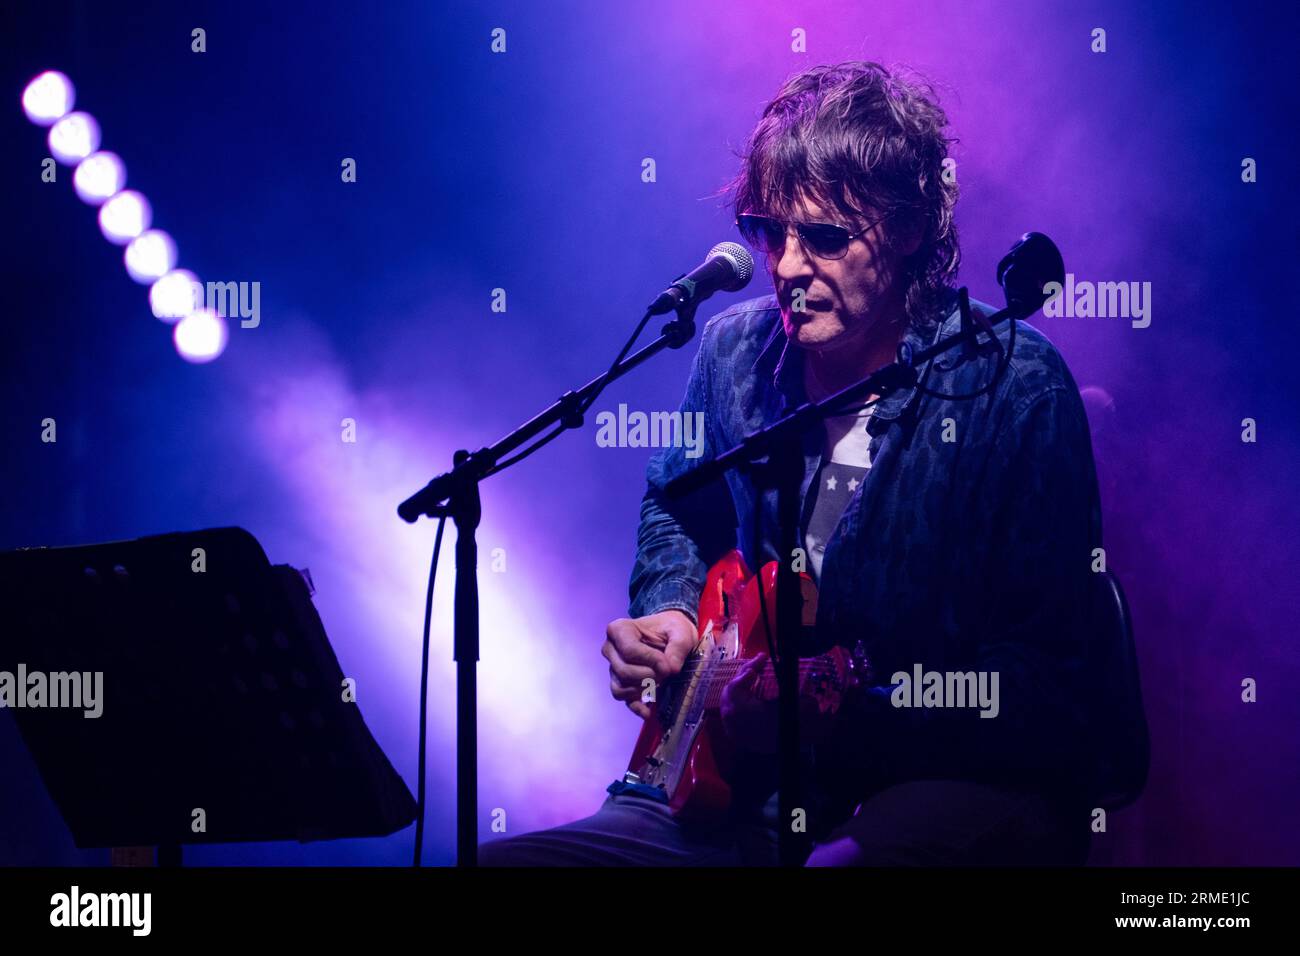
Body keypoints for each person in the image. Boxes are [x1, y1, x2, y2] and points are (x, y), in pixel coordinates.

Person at [480, 60, 1101, 866]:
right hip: (742, 786)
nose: (785, 265)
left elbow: (1048, 682)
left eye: (825, 237)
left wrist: (855, 713)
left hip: (940, 781)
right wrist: (671, 612)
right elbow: (678, 505)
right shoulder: (734, 352)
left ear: (911, 230)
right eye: (768, 230)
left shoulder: (1015, 385)